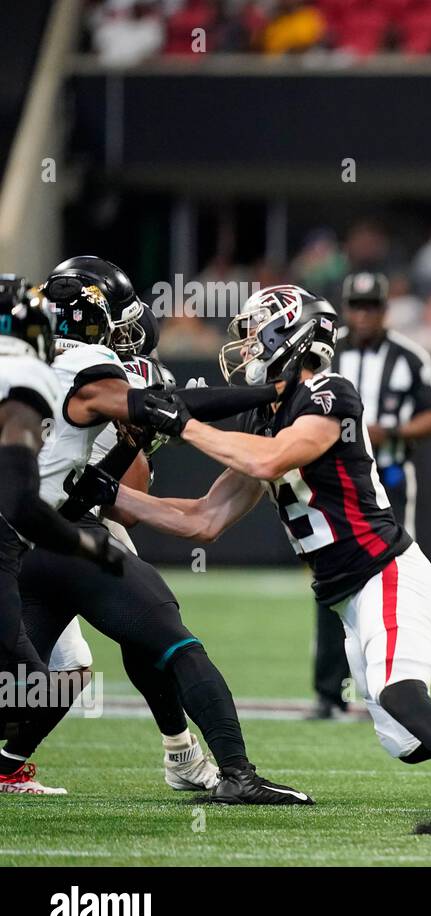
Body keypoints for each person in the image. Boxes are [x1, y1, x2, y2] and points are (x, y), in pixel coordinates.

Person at [113, 285, 431, 837]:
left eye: (256, 334)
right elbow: (201, 520)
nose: (247, 348)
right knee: (407, 739)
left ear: (292, 333)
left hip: (386, 572)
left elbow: (275, 459)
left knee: (404, 696)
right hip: (350, 597)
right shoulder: (265, 418)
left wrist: (181, 423)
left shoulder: (329, 393)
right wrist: (102, 493)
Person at [7, 262, 314, 804]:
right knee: (175, 641)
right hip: (59, 532)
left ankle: (4, 762)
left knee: (40, 681)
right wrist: (269, 392)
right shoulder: (91, 365)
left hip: (16, 547)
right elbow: (173, 408)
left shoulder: (19, 361)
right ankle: (237, 773)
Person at [0, 274, 126, 794]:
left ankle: (6, 766)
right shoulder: (29, 375)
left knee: (54, 673)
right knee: (29, 682)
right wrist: (83, 543)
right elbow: (22, 502)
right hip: (14, 539)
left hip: (14, 544)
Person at [309, 271, 431, 720]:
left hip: (389, 475)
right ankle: (329, 692)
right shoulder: (327, 356)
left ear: (385, 310)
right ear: (346, 308)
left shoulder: (409, 357)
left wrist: (388, 430)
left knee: (391, 578)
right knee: (334, 575)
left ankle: (395, 688)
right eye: (356, 306)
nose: (363, 315)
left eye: (371, 306)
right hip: (335, 482)